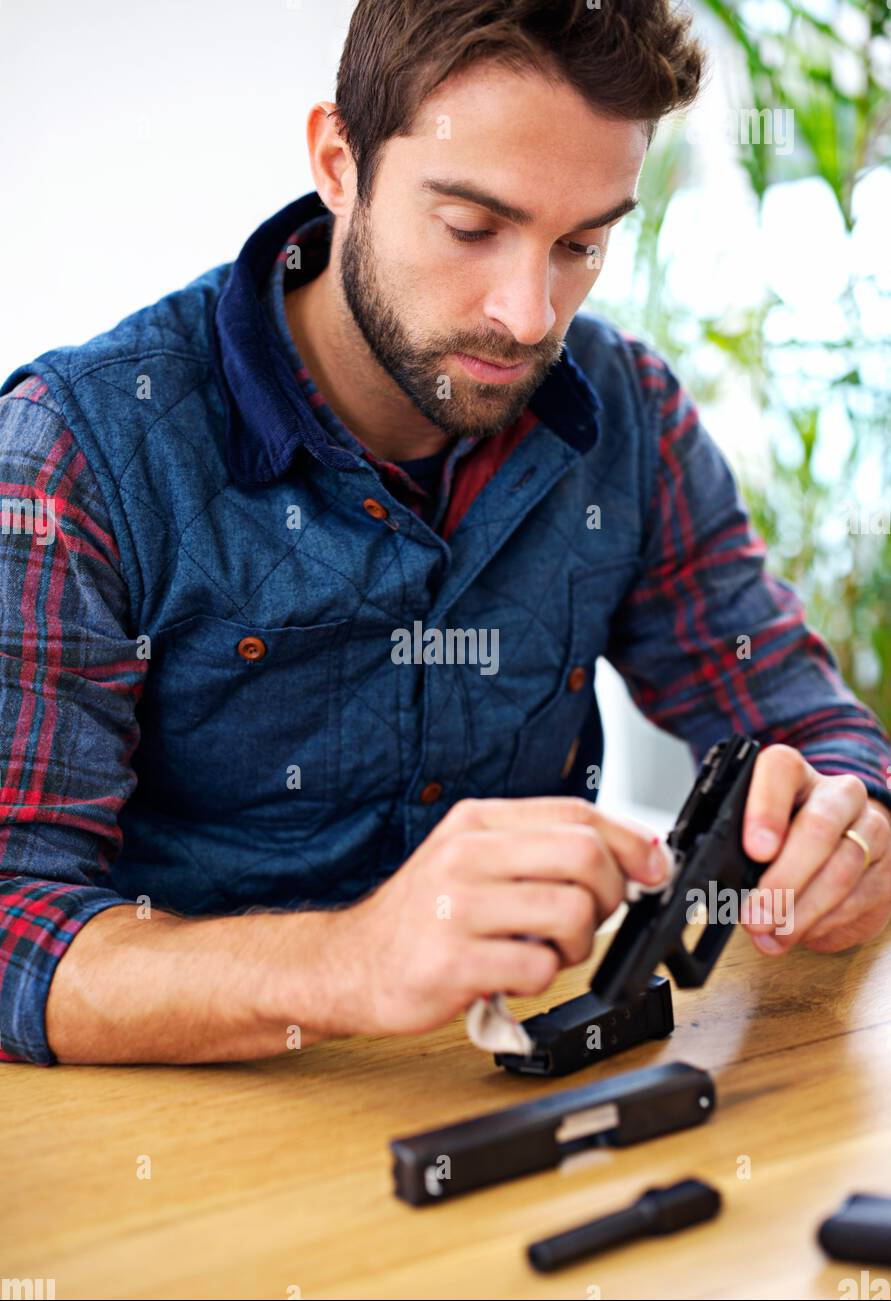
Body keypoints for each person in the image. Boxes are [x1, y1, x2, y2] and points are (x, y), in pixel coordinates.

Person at [1, 0, 889, 1067]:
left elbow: (807, 725)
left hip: (515, 1114)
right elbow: (15, 930)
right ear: (339, 160)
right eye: (472, 226)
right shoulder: (73, 453)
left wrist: (851, 823)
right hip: (179, 1159)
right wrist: (346, 962)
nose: (527, 313)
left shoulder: (632, 414)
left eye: (581, 243)